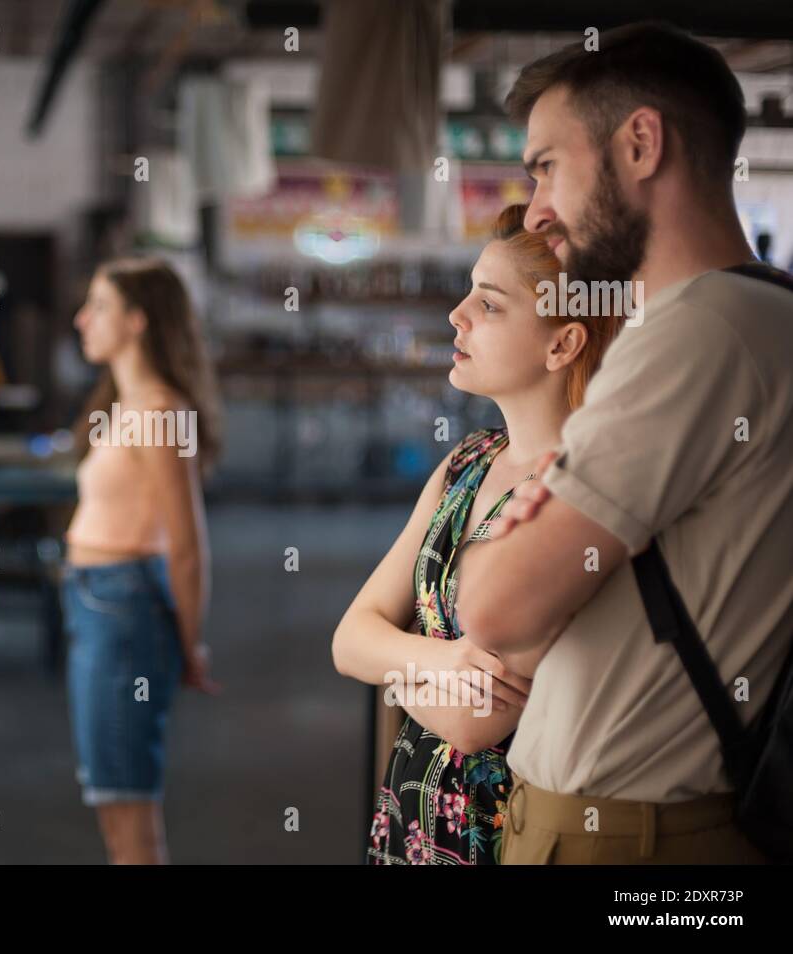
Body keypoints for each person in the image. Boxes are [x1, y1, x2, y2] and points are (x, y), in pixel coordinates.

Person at [455, 21, 793, 864]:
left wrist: (511, 532)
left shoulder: (699, 330)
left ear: (640, 143)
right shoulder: (767, 311)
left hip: (628, 841)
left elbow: (493, 608)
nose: (535, 209)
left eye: (546, 168)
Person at [333, 204, 622, 864]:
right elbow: (348, 636)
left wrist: (396, 669)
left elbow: (473, 724)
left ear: (562, 344)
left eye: (488, 305)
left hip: (504, 834)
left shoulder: (580, 492)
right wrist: (441, 661)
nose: (456, 316)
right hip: (411, 821)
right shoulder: (467, 462)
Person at [61, 256, 222, 864]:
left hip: (121, 608)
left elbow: (186, 544)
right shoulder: (128, 405)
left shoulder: (160, 412)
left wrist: (190, 643)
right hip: (97, 601)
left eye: (97, 306)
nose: (81, 320)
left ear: (137, 321)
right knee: (110, 796)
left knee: (129, 813)